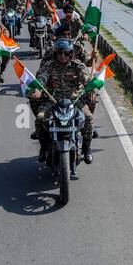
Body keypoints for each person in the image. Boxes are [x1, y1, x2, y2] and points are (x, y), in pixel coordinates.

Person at [29, 37, 96, 169]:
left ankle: (87, 149)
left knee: (88, 118)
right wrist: (37, 89)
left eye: (66, 53)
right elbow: (42, 78)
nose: (62, 56)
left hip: (74, 100)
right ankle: (43, 148)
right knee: (40, 119)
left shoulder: (77, 65)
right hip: (52, 100)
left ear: (71, 54)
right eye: (59, 53)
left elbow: (86, 79)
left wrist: (90, 89)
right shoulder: (49, 66)